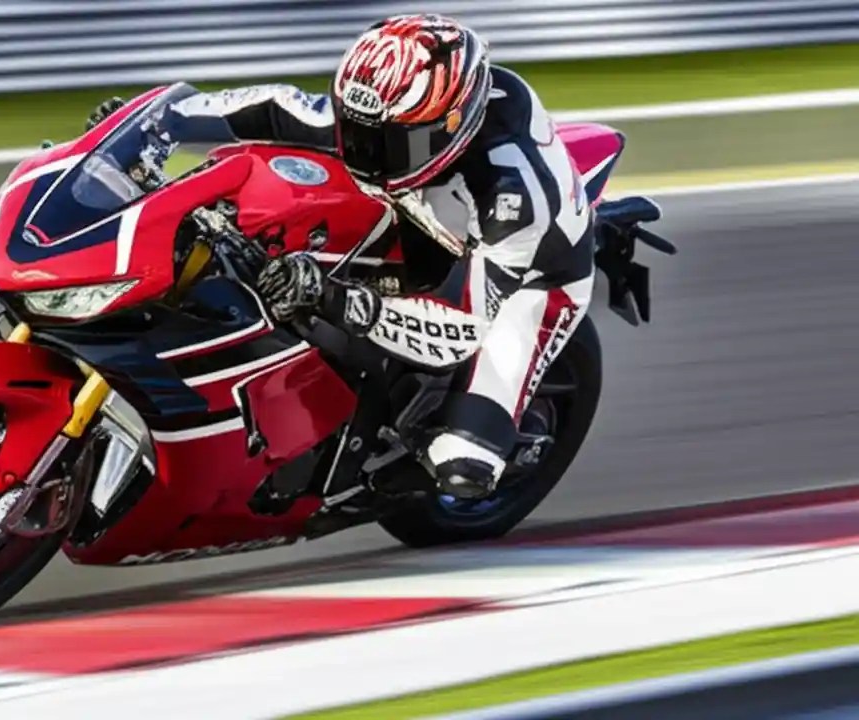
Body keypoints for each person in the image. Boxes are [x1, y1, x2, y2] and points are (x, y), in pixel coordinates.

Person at [87, 14, 596, 500]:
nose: (363, 150)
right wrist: (154, 124)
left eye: (388, 143)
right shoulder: (393, 116)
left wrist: (335, 298)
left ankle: (455, 440)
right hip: (422, 201)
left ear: (450, 127)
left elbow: (465, 329)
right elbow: (273, 106)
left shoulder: (510, 199)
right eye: (357, 133)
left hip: (531, 272)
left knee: (463, 458)